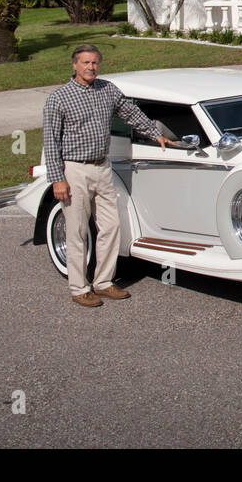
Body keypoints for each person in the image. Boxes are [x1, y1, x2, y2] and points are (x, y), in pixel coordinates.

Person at [42, 43, 174, 307]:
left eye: (94, 63)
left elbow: (130, 113)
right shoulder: (59, 98)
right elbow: (50, 139)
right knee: (78, 230)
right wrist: (57, 178)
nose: (91, 67)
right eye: (85, 63)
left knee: (111, 226)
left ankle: (103, 282)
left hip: (102, 167)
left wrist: (155, 133)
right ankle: (79, 288)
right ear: (74, 65)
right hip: (74, 169)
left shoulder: (107, 90)